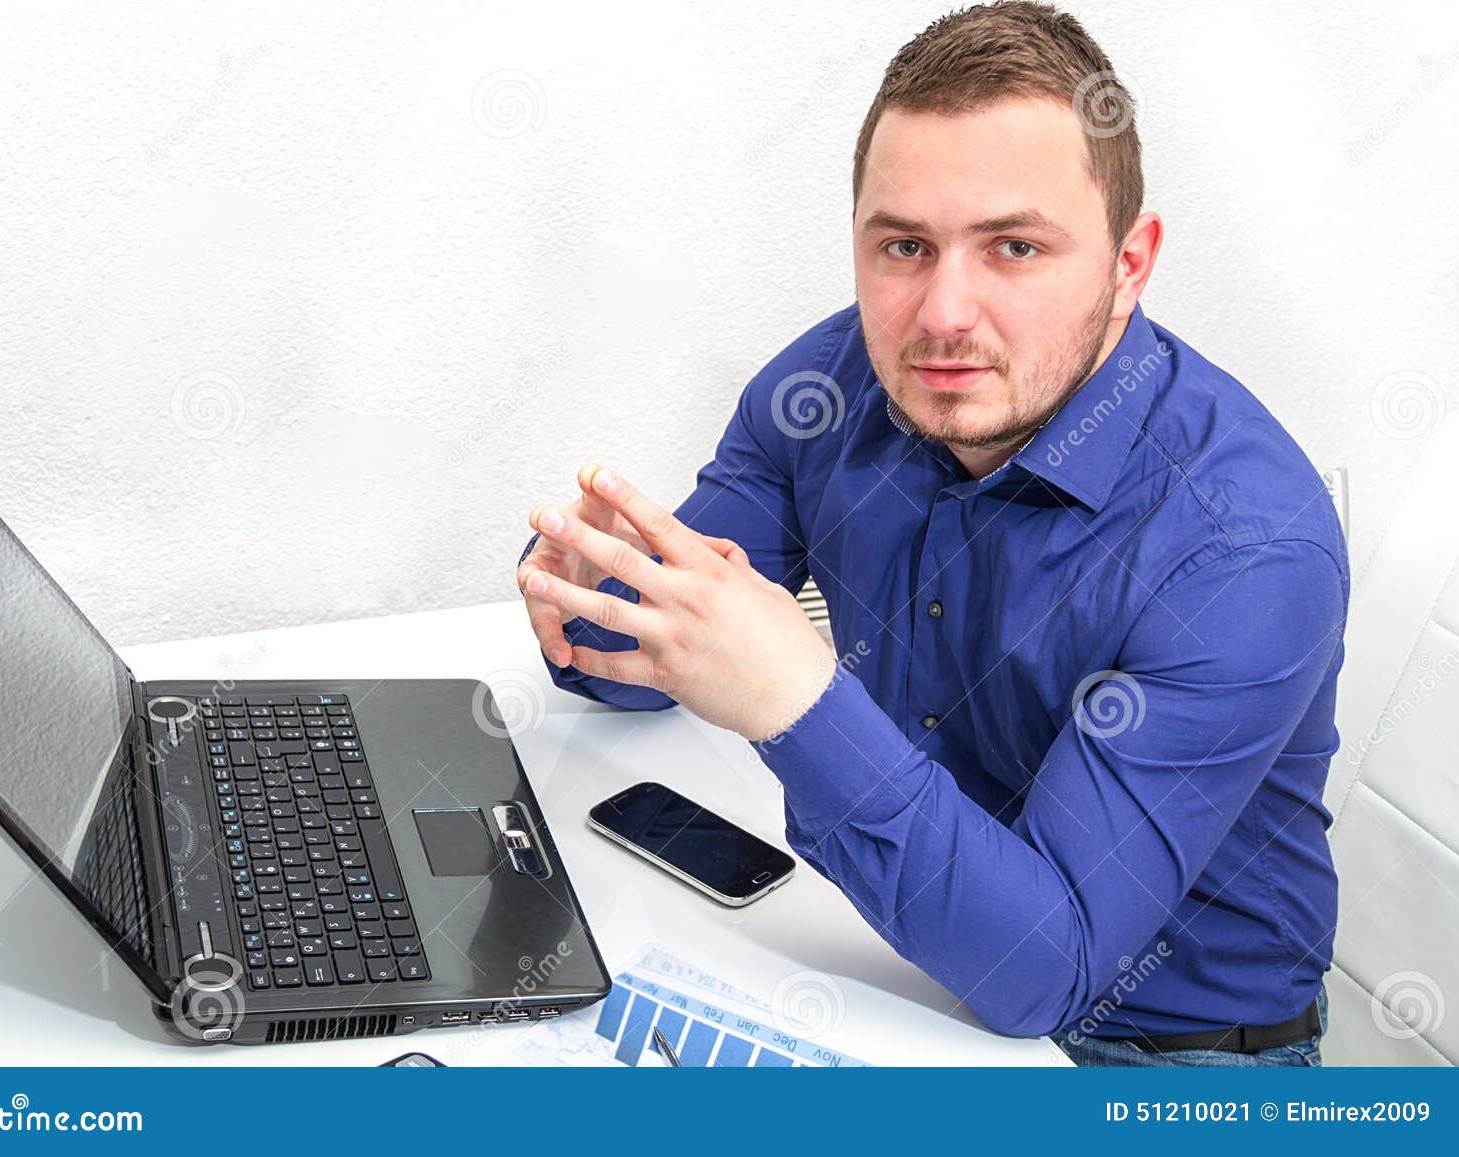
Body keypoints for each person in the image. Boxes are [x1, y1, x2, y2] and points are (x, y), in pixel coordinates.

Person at [514, 1, 1344, 1067]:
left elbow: (1043, 970)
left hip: (1166, 1052)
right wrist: (586, 595)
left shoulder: (1244, 552)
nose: (944, 313)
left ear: (1129, 263)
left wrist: (795, 701)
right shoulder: (836, 382)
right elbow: (638, 663)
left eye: (1014, 246)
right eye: (905, 245)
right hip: (902, 962)